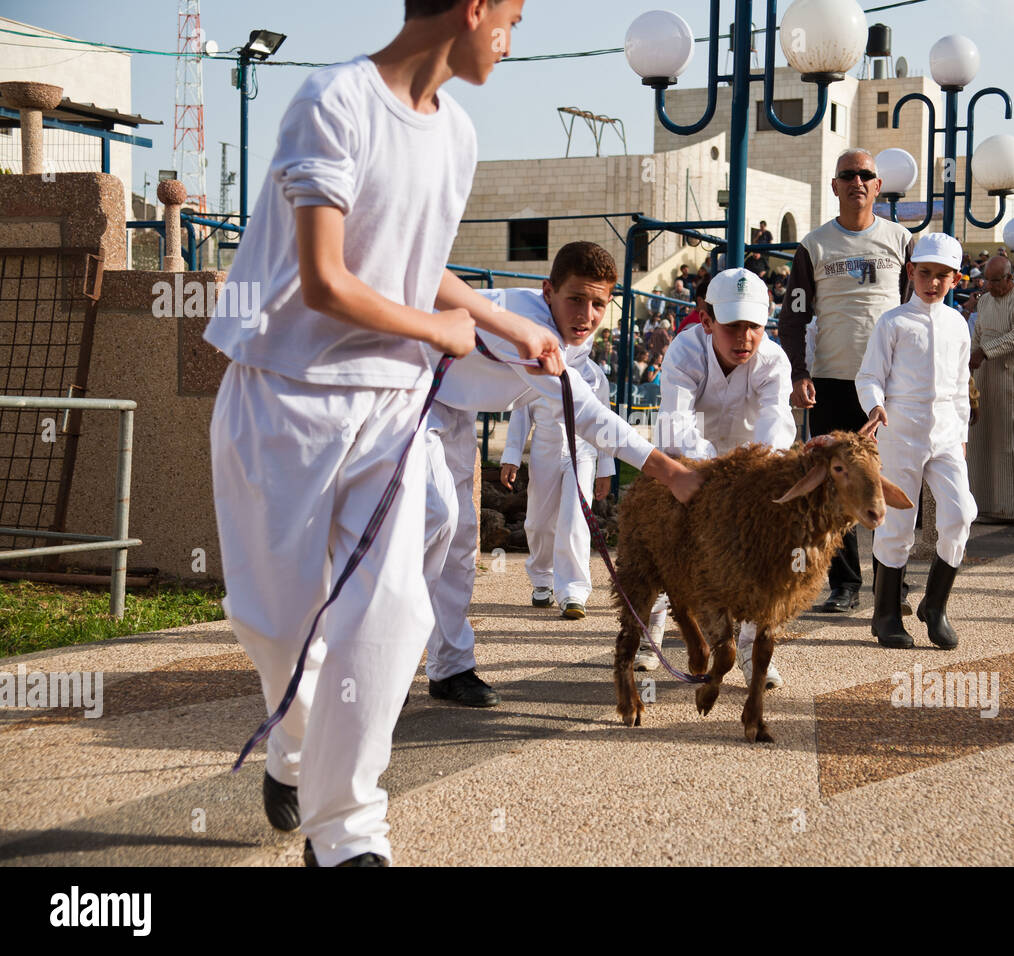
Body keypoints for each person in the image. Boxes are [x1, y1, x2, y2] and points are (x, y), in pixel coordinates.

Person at [203, 0, 547, 868]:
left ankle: (348, 834)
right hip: (284, 394)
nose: (510, 42)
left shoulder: (458, 134)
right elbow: (325, 279)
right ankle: (292, 752)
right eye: (509, 19)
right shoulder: (333, 100)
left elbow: (410, 263)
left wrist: (503, 321)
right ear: (472, 8)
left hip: (390, 404)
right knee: (279, 629)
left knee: (391, 610)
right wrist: (439, 332)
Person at [422, 242, 702, 709]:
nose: (586, 315)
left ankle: (449, 668)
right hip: (411, 393)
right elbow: (588, 415)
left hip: (454, 407)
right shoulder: (529, 325)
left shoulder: (576, 338)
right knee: (435, 520)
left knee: (461, 537)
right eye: (575, 299)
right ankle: (369, 660)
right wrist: (671, 472)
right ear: (548, 291)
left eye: (598, 304)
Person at [638, 267, 797, 686]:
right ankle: (650, 635)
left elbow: (776, 423)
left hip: (749, 467)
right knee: (666, 543)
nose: (744, 337)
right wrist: (713, 473)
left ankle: (752, 649)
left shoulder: (774, 360)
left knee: (761, 555)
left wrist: (758, 476)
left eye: (754, 326)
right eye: (732, 326)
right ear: (707, 321)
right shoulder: (684, 349)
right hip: (689, 464)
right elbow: (676, 422)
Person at [777, 147, 914, 614]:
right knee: (836, 486)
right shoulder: (813, 245)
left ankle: (892, 578)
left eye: (865, 175)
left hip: (890, 385)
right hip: (832, 382)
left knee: (893, 478)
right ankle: (845, 584)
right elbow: (793, 318)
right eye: (848, 175)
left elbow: (917, 313)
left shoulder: (901, 240)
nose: (857, 181)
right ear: (834, 185)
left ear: (878, 186)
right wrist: (799, 373)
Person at [858, 232, 977, 649]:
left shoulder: (958, 324)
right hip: (900, 428)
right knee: (896, 523)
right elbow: (869, 375)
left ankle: (935, 606)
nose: (933, 282)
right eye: (925, 272)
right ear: (911, 272)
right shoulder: (893, 322)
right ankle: (886, 614)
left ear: (956, 279)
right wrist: (875, 406)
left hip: (946, 433)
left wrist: (961, 434)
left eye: (943, 275)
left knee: (961, 513)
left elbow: (961, 386)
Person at [500, 287, 617, 620]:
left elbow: (604, 422)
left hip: (583, 454)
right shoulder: (536, 365)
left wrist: (605, 468)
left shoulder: (596, 376)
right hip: (545, 450)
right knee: (538, 520)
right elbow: (520, 412)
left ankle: (573, 591)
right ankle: (542, 578)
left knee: (575, 520)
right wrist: (511, 455)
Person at [967, 255, 1014, 524]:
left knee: (1008, 439)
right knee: (979, 440)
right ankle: (983, 505)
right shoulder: (984, 300)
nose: (989, 286)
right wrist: (970, 366)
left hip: (1008, 375)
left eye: (995, 281)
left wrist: (984, 352)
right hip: (982, 375)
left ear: (1010, 278)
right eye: (987, 280)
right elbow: (978, 335)